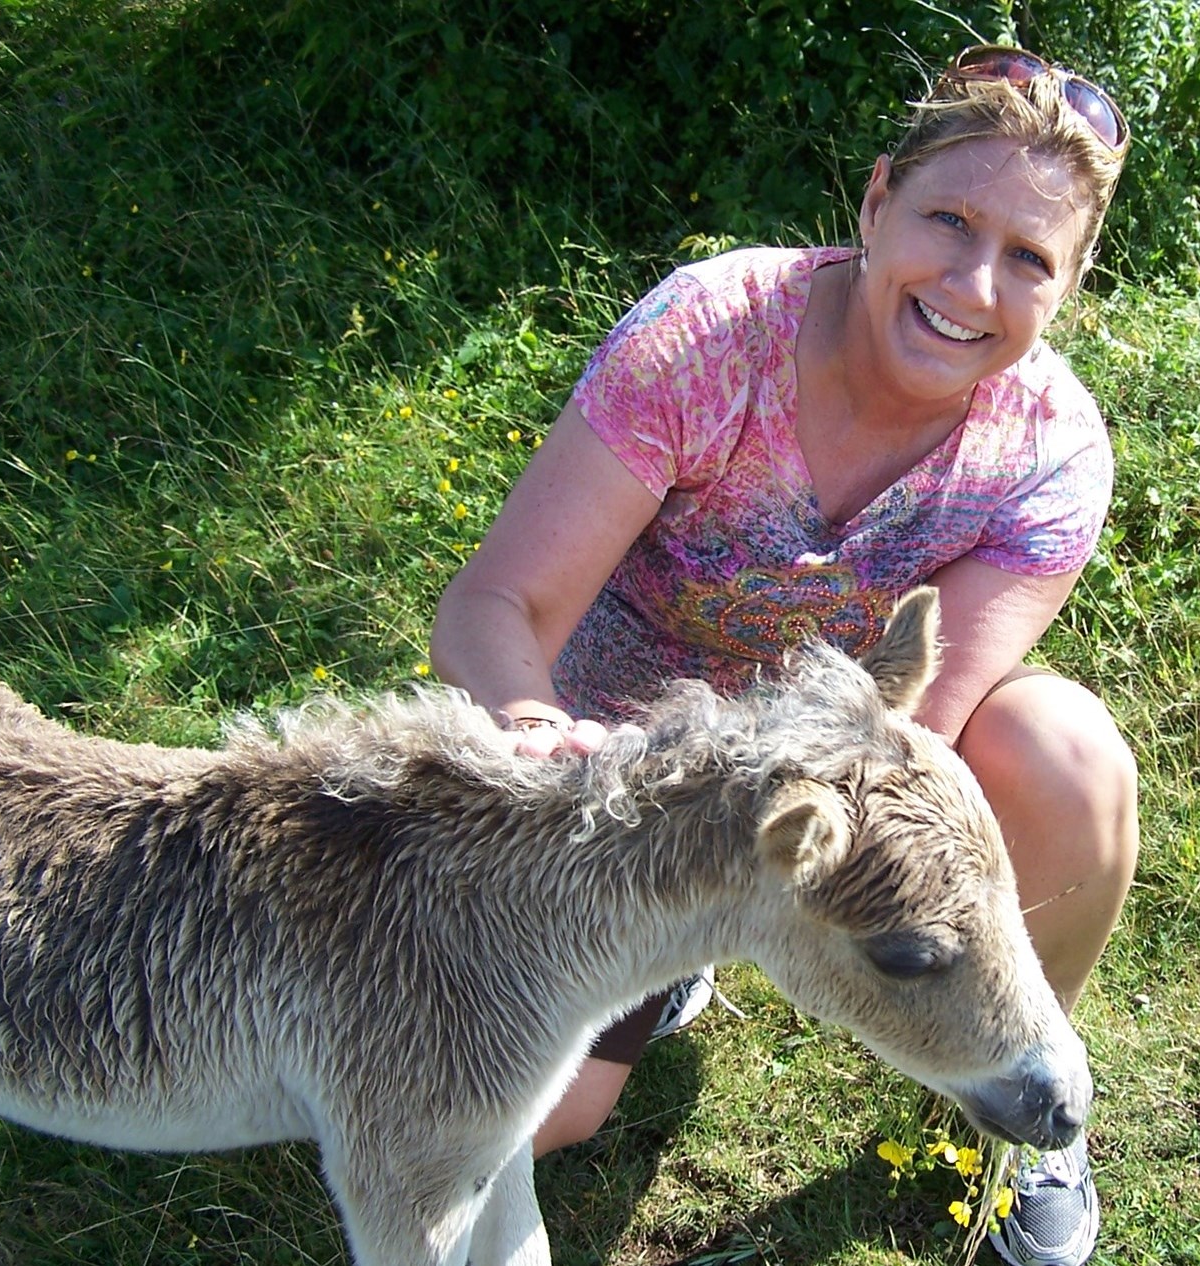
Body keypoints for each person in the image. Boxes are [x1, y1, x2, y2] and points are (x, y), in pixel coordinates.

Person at [430, 43, 1138, 1266]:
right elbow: (494, 605)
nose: (973, 284)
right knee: (532, 1114)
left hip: (830, 769)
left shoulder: (1052, 453)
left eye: (1030, 257)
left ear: (1068, 287)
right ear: (877, 202)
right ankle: (683, 956)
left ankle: (1018, 1075)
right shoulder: (711, 336)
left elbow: (919, 732)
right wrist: (536, 730)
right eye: (949, 221)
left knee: (1070, 756)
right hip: (618, 768)